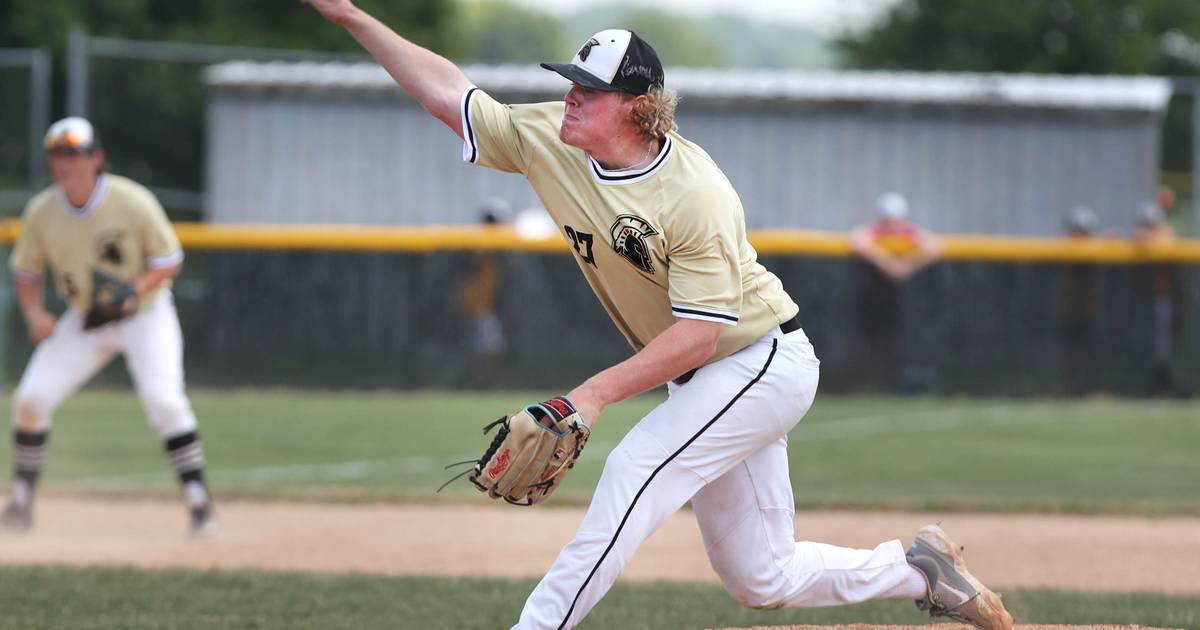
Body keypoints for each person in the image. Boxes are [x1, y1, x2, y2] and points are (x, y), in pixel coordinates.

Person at [304, 3, 1012, 629]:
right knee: (760, 578)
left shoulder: (694, 193)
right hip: (708, 376)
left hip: (758, 363)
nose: (570, 97)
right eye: (570, 83)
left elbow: (700, 333)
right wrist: (349, 15)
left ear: (637, 105)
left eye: (589, 90)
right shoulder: (552, 138)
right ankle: (921, 574)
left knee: (636, 467)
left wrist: (589, 396)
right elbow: (450, 94)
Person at [0, 117, 216, 536]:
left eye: (74, 153)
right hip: (86, 317)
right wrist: (34, 314)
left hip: (145, 315)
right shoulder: (43, 211)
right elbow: (25, 270)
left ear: (96, 158)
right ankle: (21, 502)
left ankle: (199, 504)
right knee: (31, 399)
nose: (65, 163)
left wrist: (136, 289)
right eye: (57, 154)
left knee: (166, 402)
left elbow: (170, 258)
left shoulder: (131, 200)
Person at [848, 193, 942, 392]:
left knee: (904, 346)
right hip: (871, 302)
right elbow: (857, 240)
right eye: (887, 219)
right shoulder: (872, 233)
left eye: (896, 219)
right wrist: (891, 265)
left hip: (909, 307)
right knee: (873, 344)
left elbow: (935, 246)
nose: (892, 225)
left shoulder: (911, 234)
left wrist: (904, 266)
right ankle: (870, 384)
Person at [1132, 188, 1185, 396]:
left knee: (1162, 344)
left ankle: (1162, 382)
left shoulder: (1166, 233)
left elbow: (1167, 240)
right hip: (1141, 299)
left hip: (1164, 299)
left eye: (1151, 224)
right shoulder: (1140, 236)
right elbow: (1138, 238)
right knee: (1145, 343)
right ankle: (1147, 381)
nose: (1147, 228)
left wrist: (1154, 234)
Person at [460, 198, 510, 387]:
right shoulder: (479, 245)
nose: (493, 225)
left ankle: (483, 382)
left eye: (495, 221)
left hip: (489, 306)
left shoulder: (504, 245)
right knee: (487, 347)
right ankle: (481, 382)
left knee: (489, 347)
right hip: (477, 306)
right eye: (490, 221)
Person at [1056, 206, 1103, 396]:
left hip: (1088, 311)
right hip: (1067, 311)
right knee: (1069, 354)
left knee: (1087, 353)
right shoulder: (1063, 249)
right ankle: (1068, 387)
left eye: (1083, 232)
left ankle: (1086, 388)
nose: (1079, 236)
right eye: (1076, 231)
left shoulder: (1095, 250)